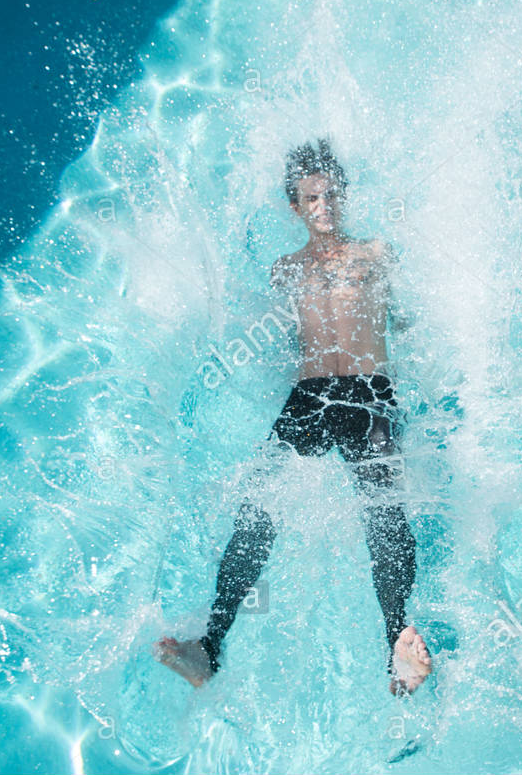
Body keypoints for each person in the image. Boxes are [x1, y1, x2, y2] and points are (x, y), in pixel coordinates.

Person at [153, 139, 433, 695]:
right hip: (309, 395)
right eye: (311, 198)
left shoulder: (375, 253)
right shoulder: (287, 269)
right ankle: (209, 648)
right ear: (295, 207)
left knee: (384, 513)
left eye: (331, 194)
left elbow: (406, 321)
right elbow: (286, 340)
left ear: (344, 195)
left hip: (368, 391)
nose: (324, 205)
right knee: (257, 508)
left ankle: (397, 646)